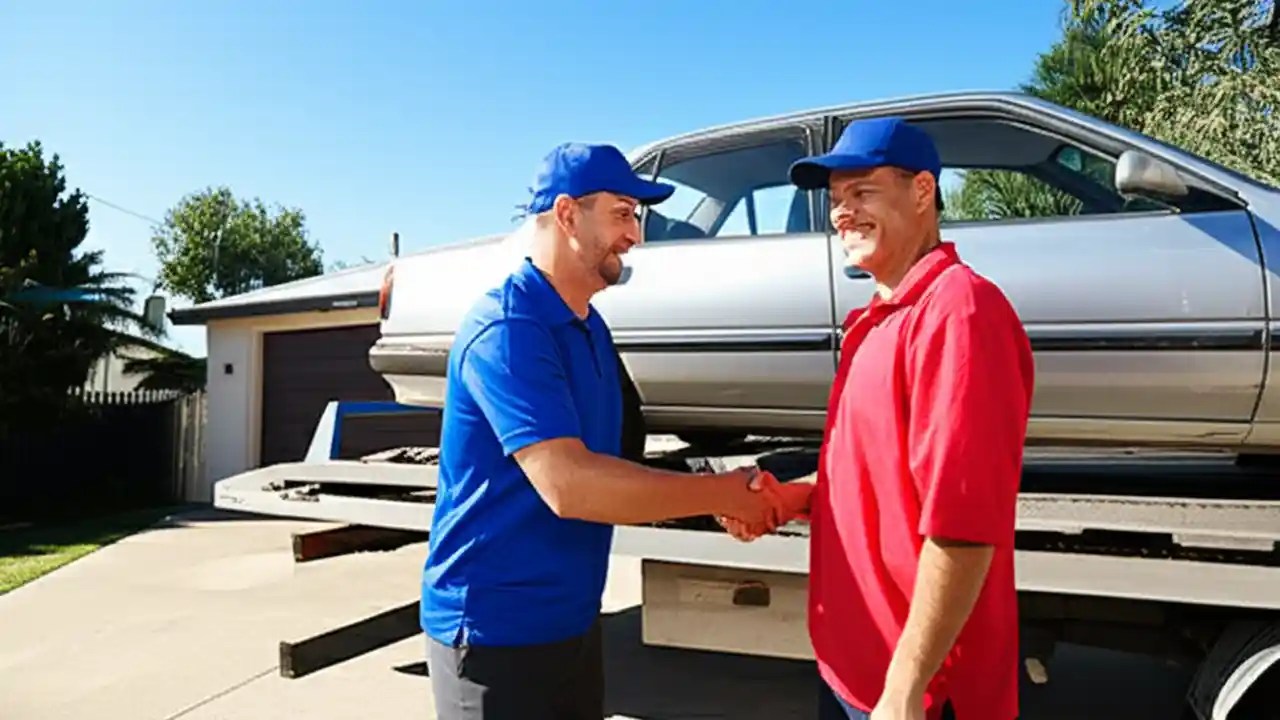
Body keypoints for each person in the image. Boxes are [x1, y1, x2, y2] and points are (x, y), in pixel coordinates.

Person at [422, 141, 785, 720]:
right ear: (567, 214)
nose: (636, 235)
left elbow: (625, 465)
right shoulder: (509, 328)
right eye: (622, 213)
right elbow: (572, 486)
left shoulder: (590, 329)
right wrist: (720, 493)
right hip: (494, 634)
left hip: (571, 623)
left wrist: (721, 498)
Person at [721, 117, 1034, 720]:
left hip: (919, 691)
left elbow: (964, 527)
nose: (842, 212)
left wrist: (907, 687)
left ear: (922, 192)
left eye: (862, 192)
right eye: (837, 199)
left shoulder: (959, 314)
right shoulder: (876, 318)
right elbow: (878, 481)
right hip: (852, 669)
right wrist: (794, 498)